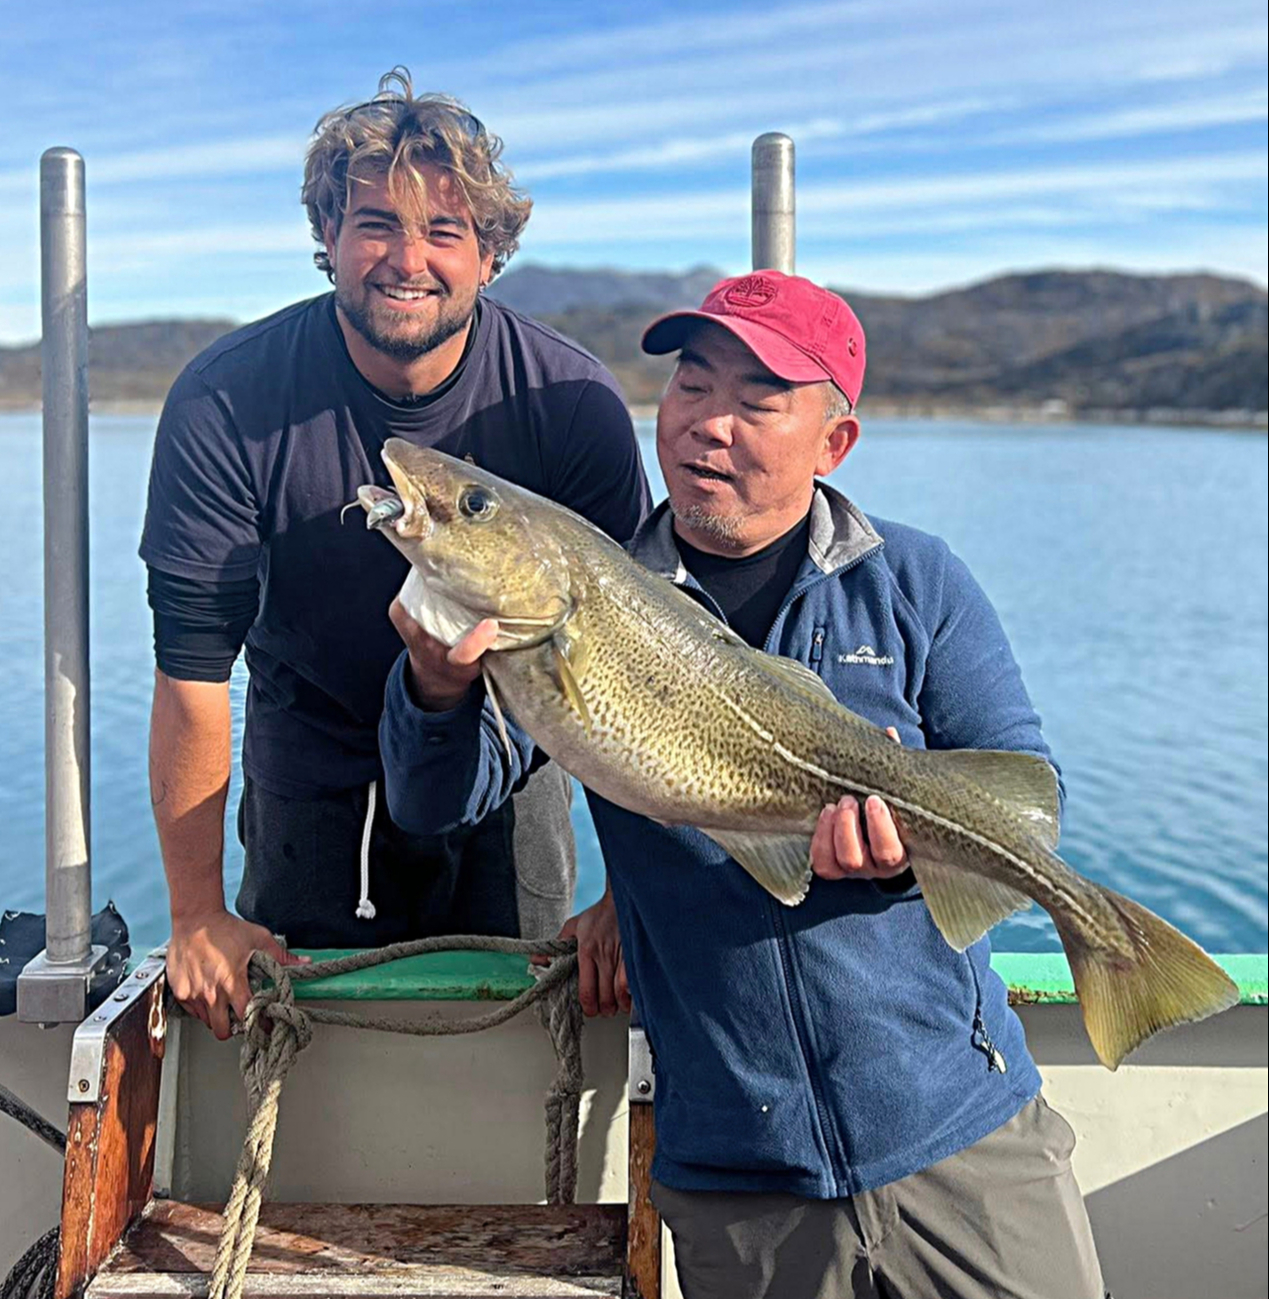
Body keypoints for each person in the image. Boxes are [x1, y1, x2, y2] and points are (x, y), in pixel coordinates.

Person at [377, 271, 1107, 1299]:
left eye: (759, 400)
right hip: (739, 1175)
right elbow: (435, 806)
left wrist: (904, 866)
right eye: (689, 386)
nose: (708, 426)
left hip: (964, 1134)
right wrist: (434, 684)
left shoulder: (915, 582)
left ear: (832, 443)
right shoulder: (586, 597)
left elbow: (1022, 786)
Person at [139, 68, 651, 1042]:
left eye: (445, 231)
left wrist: (633, 893)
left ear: (491, 256)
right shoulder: (227, 403)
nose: (405, 258)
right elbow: (191, 673)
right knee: (308, 1043)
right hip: (313, 769)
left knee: (522, 1042)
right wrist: (197, 913)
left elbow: (628, 675)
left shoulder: (570, 406)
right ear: (327, 241)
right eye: (374, 223)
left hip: (517, 756)